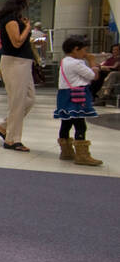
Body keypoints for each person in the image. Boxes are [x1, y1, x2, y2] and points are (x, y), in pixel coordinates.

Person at [0, 0, 36, 151]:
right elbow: (16, 42)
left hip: (23, 62)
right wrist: (27, 28)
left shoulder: (15, 18)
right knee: (17, 102)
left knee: (29, 98)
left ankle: (4, 127)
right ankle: (12, 139)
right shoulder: (10, 19)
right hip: (15, 62)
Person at [54, 35, 102, 166]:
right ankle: (82, 155)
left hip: (65, 96)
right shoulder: (76, 63)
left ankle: (66, 151)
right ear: (76, 49)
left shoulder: (65, 61)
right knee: (80, 125)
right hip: (77, 96)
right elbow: (93, 76)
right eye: (84, 50)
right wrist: (93, 62)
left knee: (66, 123)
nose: (86, 53)